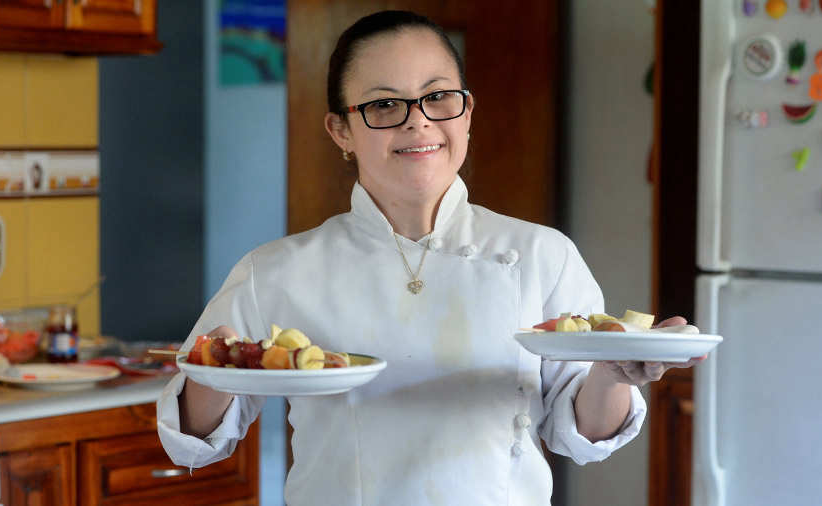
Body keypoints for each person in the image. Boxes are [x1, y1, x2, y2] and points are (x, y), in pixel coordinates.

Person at [157, 10, 702, 506]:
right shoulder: (275, 270)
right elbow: (192, 446)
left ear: (467, 114)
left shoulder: (543, 254)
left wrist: (614, 372)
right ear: (341, 130)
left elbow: (580, 436)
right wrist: (216, 364)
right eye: (384, 104)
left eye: (438, 97)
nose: (417, 122)